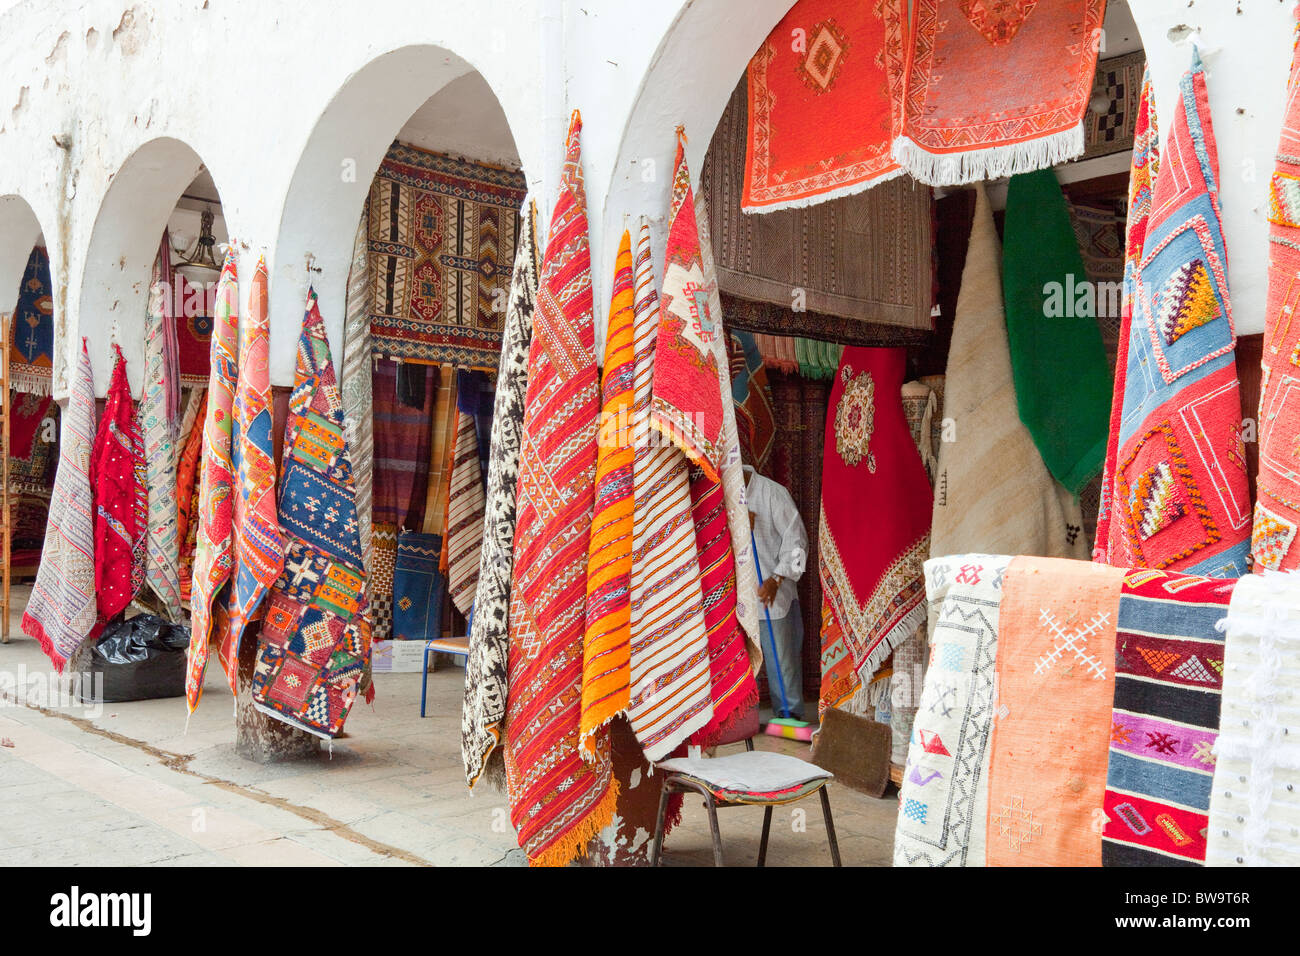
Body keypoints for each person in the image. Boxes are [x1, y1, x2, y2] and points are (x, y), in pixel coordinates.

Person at [745, 466, 809, 720]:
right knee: (740, 665)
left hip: (773, 596)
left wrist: (776, 578)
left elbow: (797, 542)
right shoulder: (721, 494)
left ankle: (789, 719)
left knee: (782, 665)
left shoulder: (772, 493)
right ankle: (744, 722)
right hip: (738, 599)